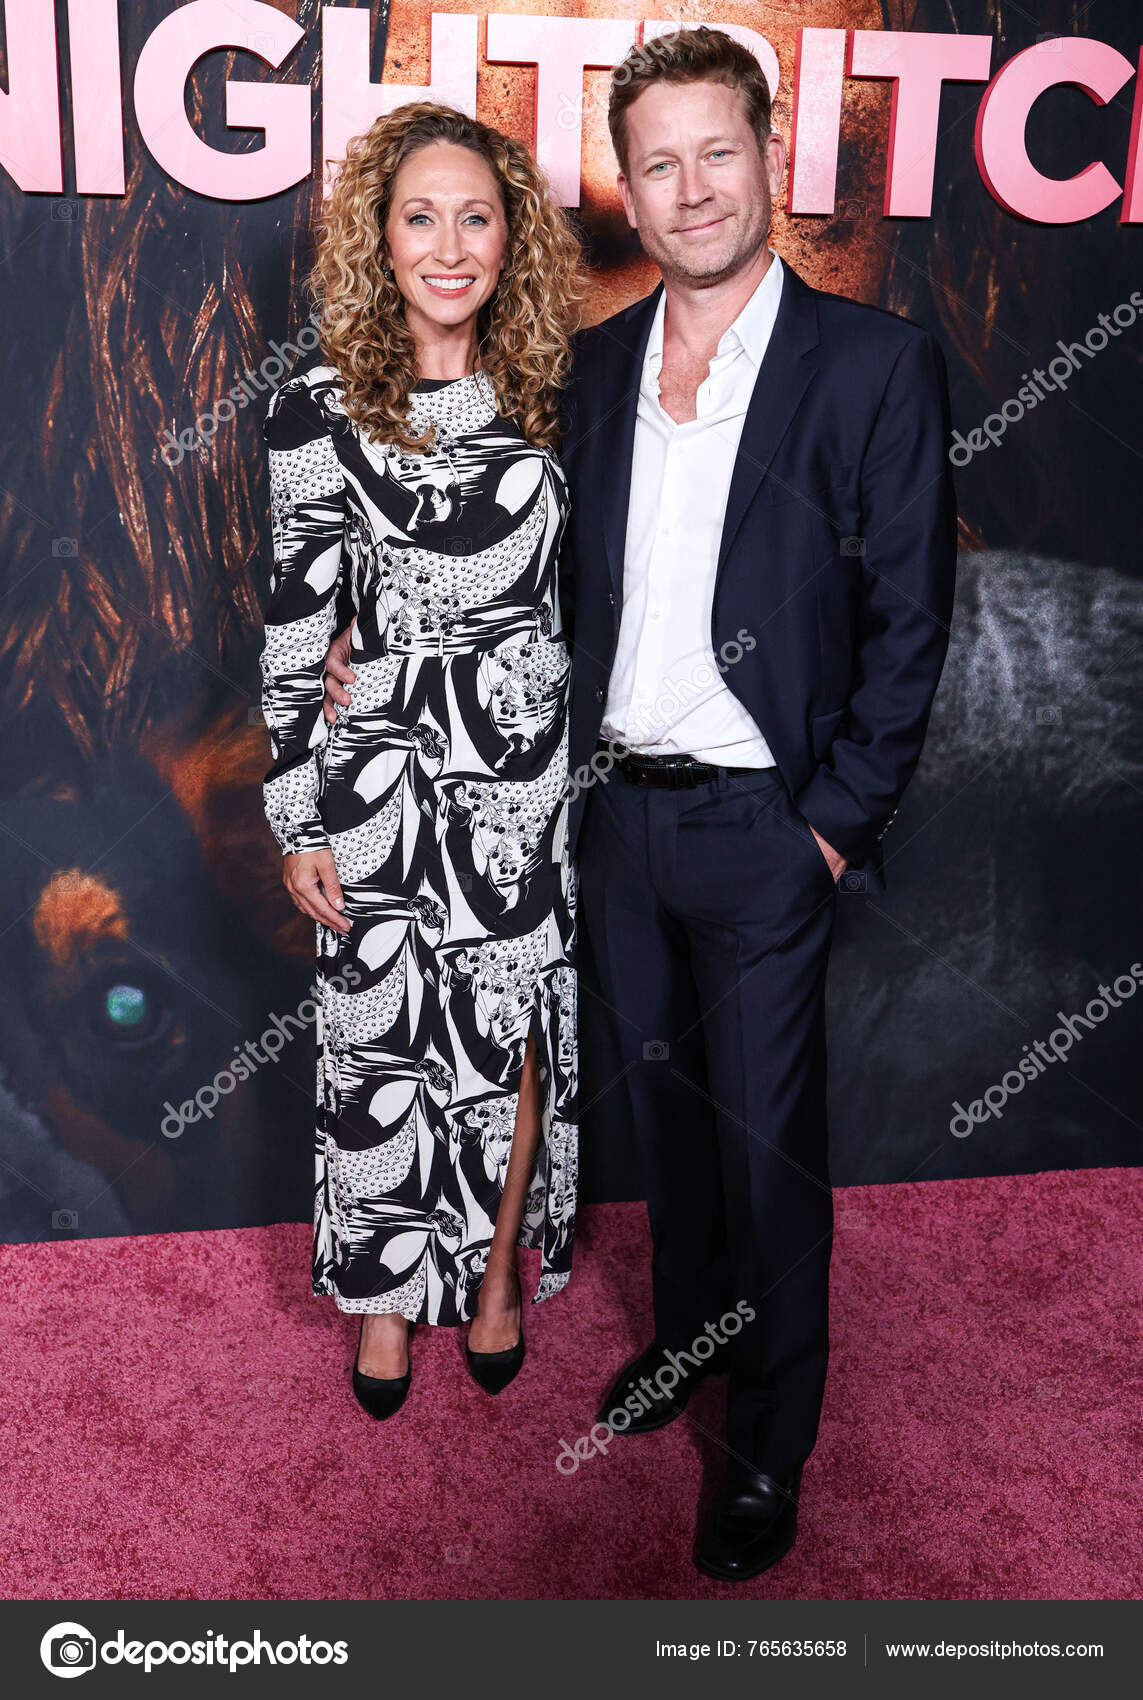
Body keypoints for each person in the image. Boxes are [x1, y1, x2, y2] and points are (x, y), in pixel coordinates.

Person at [557, 27, 957, 1579]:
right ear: (632, 194)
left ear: (770, 159)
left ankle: (768, 1446)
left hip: (764, 829)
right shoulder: (595, 367)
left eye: (716, 151)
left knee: (768, 1144)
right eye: (657, 164)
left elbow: (911, 623)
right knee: (663, 1118)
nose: (690, 188)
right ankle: (688, 1343)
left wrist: (831, 825)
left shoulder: (871, 361)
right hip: (621, 821)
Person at [258, 102, 585, 1419]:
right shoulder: (316, 411)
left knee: (510, 1044)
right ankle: (390, 1305)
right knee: (385, 1052)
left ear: (511, 238)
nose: (449, 245)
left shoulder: (564, 397)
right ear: (378, 239)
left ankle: (496, 1275)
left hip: (524, 777)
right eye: (419, 216)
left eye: (476, 215)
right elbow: (294, 624)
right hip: (382, 773)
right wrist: (297, 811)